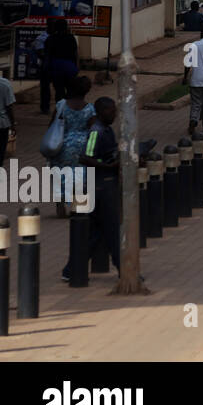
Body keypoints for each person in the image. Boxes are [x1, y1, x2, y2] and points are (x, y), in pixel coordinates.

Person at [79, 95, 121, 275]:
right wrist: (108, 166)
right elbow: (86, 157)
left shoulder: (107, 130)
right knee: (111, 229)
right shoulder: (96, 132)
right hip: (99, 186)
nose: (114, 114)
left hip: (106, 184)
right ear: (101, 112)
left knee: (96, 232)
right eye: (110, 111)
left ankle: (73, 268)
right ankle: (123, 267)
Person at [49, 75, 94, 220]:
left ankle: (60, 201)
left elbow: (52, 124)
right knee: (81, 175)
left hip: (61, 145)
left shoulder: (61, 105)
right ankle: (79, 205)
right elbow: (93, 131)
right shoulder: (90, 109)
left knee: (60, 173)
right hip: (82, 147)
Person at [44, 19, 80, 103]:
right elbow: (76, 53)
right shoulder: (71, 38)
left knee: (59, 91)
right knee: (71, 90)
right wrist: (77, 66)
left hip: (56, 67)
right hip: (70, 67)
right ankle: (70, 109)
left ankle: (60, 111)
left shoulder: (51, 38)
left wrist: (47, 68)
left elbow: (47, 55)